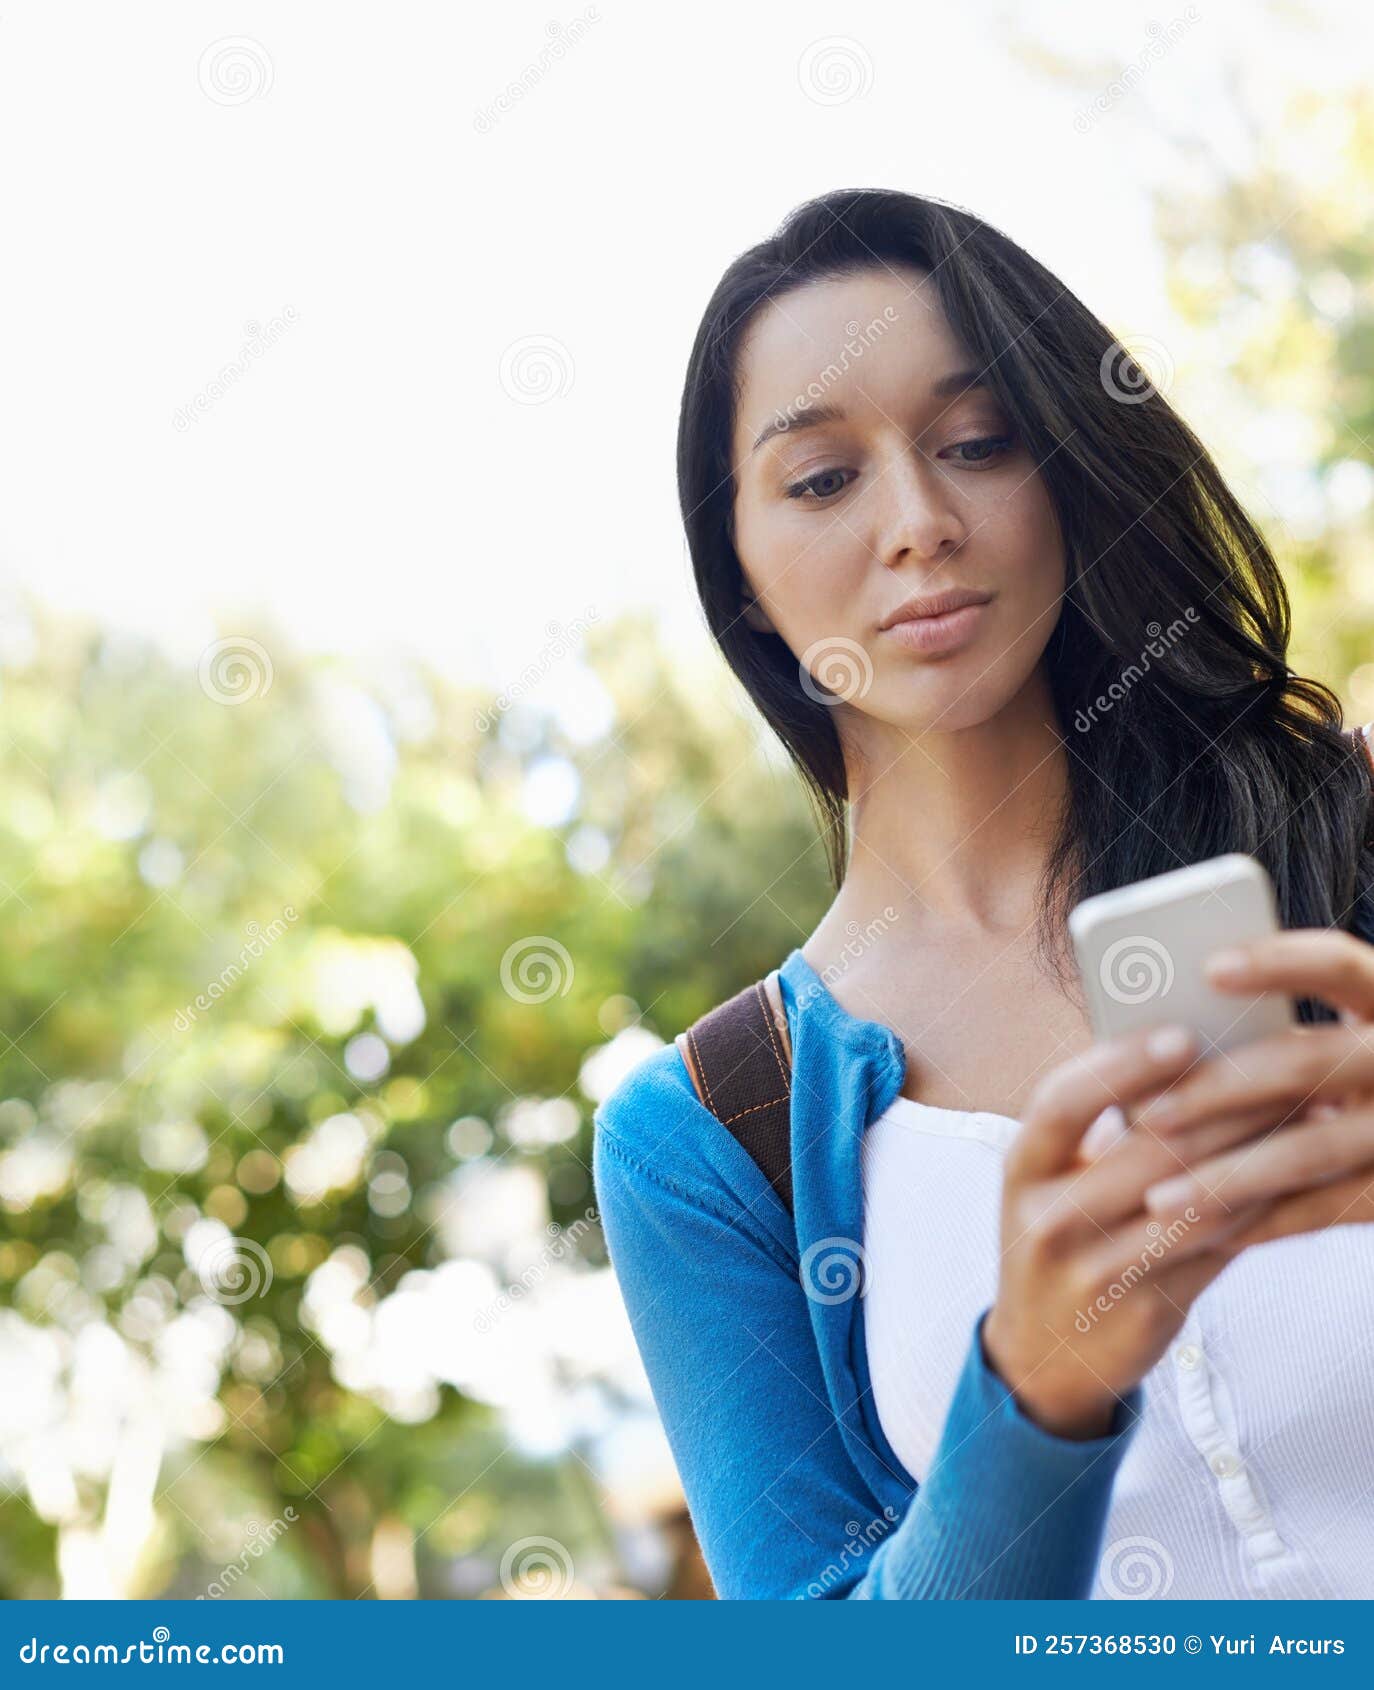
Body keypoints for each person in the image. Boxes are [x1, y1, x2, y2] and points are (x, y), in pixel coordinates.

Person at [592, 187, 1374, 1600]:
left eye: (976, 443)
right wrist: (1034, 1392)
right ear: (743, 575)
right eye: (820, 480)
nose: (919, 523)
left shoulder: (1351, 838)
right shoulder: (712, 1131)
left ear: (1063, 473)